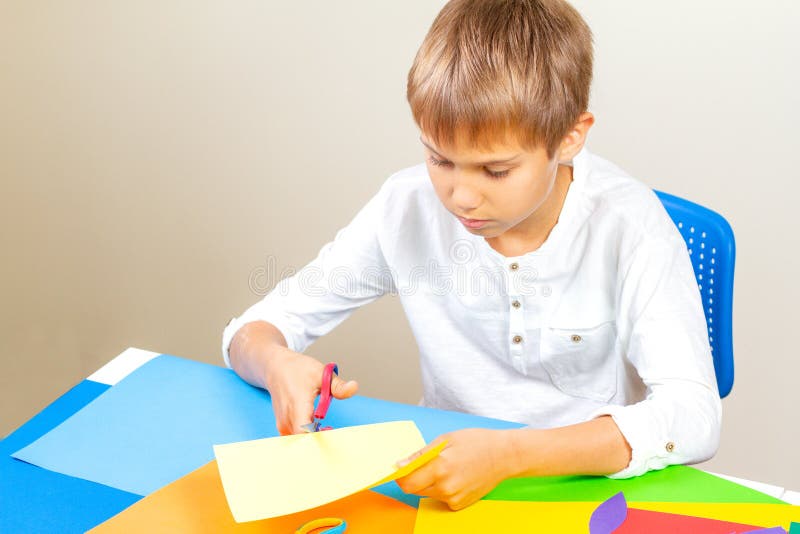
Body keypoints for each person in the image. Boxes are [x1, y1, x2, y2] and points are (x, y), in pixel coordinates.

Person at [222, 0, 721, 511]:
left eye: (496, 171)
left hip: (592, 495)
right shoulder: (405, 207)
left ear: (570, 137)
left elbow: (694, 416)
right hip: (447, 491)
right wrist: (275, 360)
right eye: (439, 158)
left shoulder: (630, 227)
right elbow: (255, 329)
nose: (460, 196)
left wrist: (511, 454)